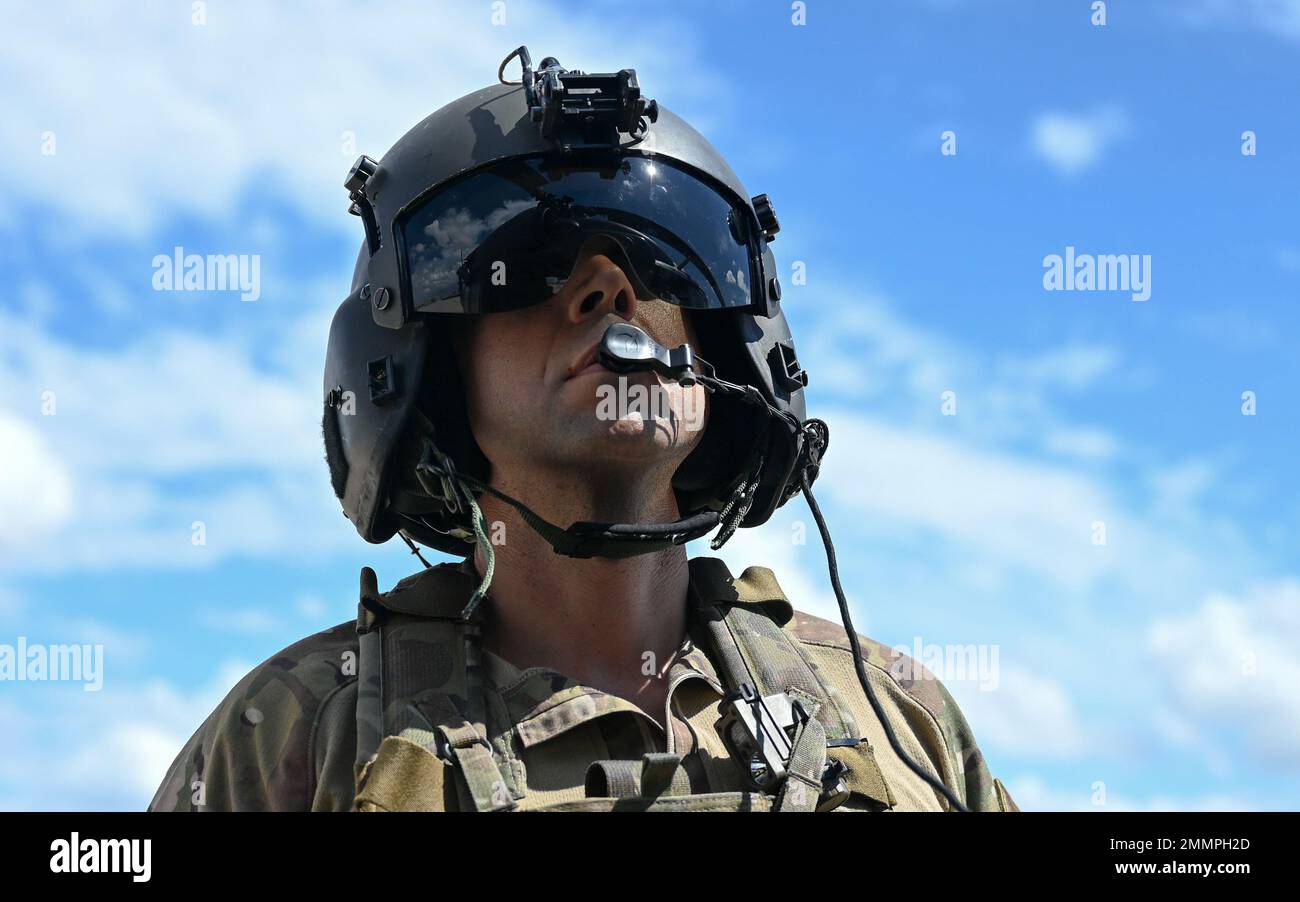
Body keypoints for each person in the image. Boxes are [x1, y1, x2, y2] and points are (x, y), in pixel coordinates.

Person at [149, 47, 1018, 813]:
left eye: (666, 253)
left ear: (732, 347)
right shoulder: (300, 737)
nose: (611, 287)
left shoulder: (893, 718)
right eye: (528, 259)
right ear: (421, 372)